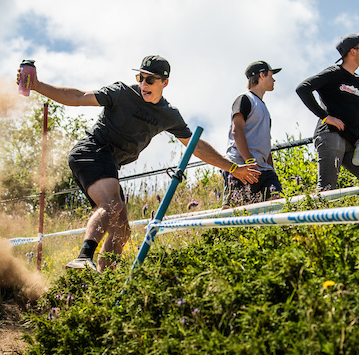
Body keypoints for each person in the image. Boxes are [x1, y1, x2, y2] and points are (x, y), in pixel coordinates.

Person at [17, 55, 260, 271]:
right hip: (91, 151)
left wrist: (233, 168)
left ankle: (103, 282)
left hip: (110, 164)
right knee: (111, 203)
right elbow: (78, 97)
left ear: (165, 82)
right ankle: (84, 257)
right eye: (141, 78)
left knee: (122, 231)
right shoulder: (122, 92)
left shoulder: (169, 114)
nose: (144, 84)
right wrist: (37, 85)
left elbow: (195, 145)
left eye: (150, 80)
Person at [296, 33, 359, 192]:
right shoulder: (333, 73)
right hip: (331, 136)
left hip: (352, 144)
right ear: (353, 51)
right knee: (327, 190)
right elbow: (303, 88)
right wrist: (325, 117)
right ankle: (315, 215)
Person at [221, 61, 284, 207]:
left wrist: (271, 170)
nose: (274, 80)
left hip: (264, 170)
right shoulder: (244, 99)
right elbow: (237, 131)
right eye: (271, 75)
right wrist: (249, 161)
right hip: (241, 168)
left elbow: (265, 142)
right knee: (235, 214)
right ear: (262, 75)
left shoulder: (264, 108)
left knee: (277, 205)